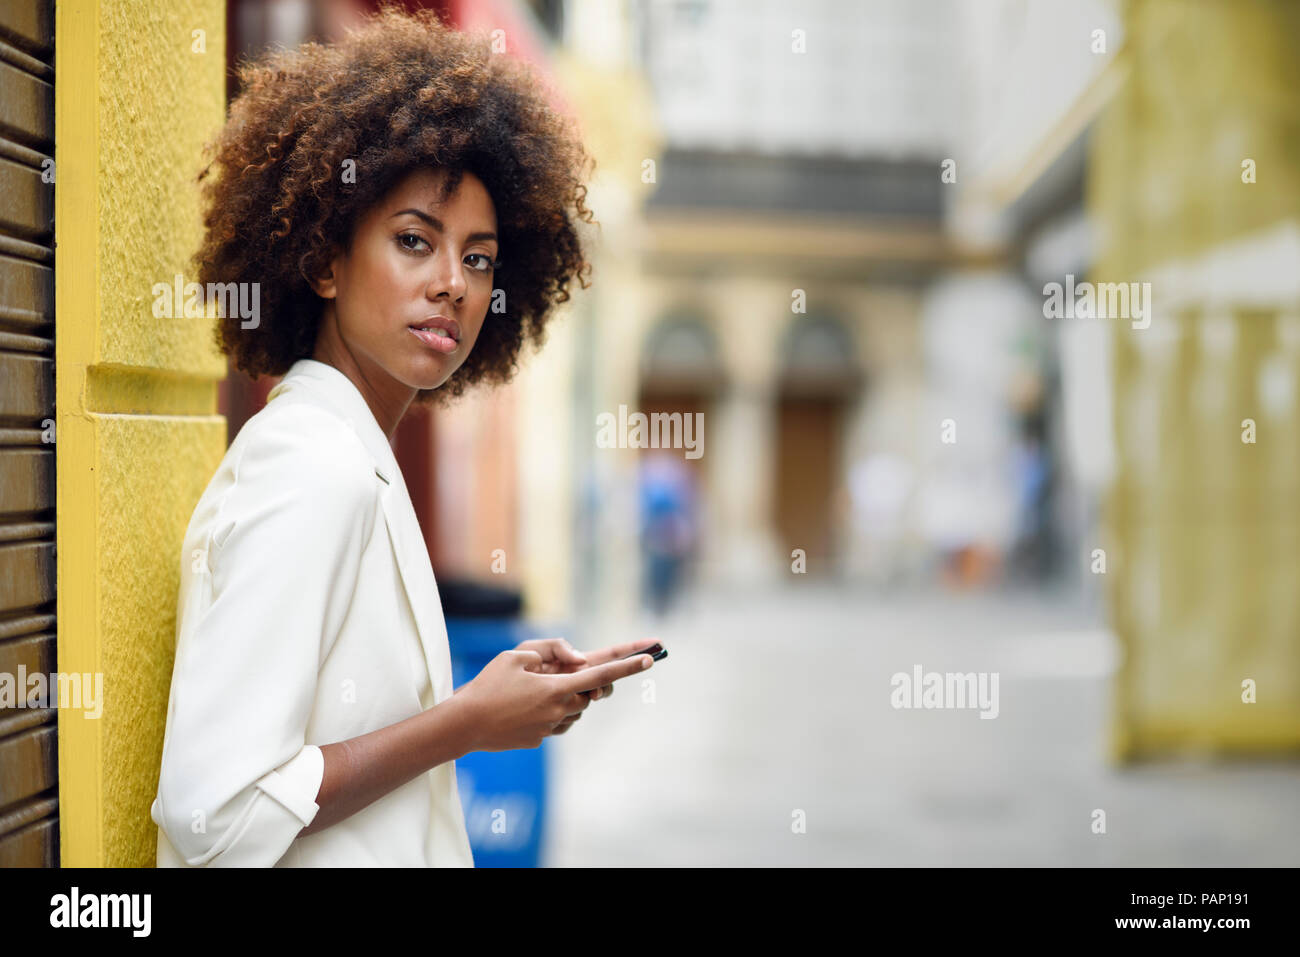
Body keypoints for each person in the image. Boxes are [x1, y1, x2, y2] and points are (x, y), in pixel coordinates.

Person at [150, 6, 659, 868]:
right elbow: (217, 810)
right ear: (322, 259)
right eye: (414, 241)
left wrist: (486, 699)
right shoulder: (312, 470)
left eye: (479, 256)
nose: (453, 284)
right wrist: (466, 722)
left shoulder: (352, 460)